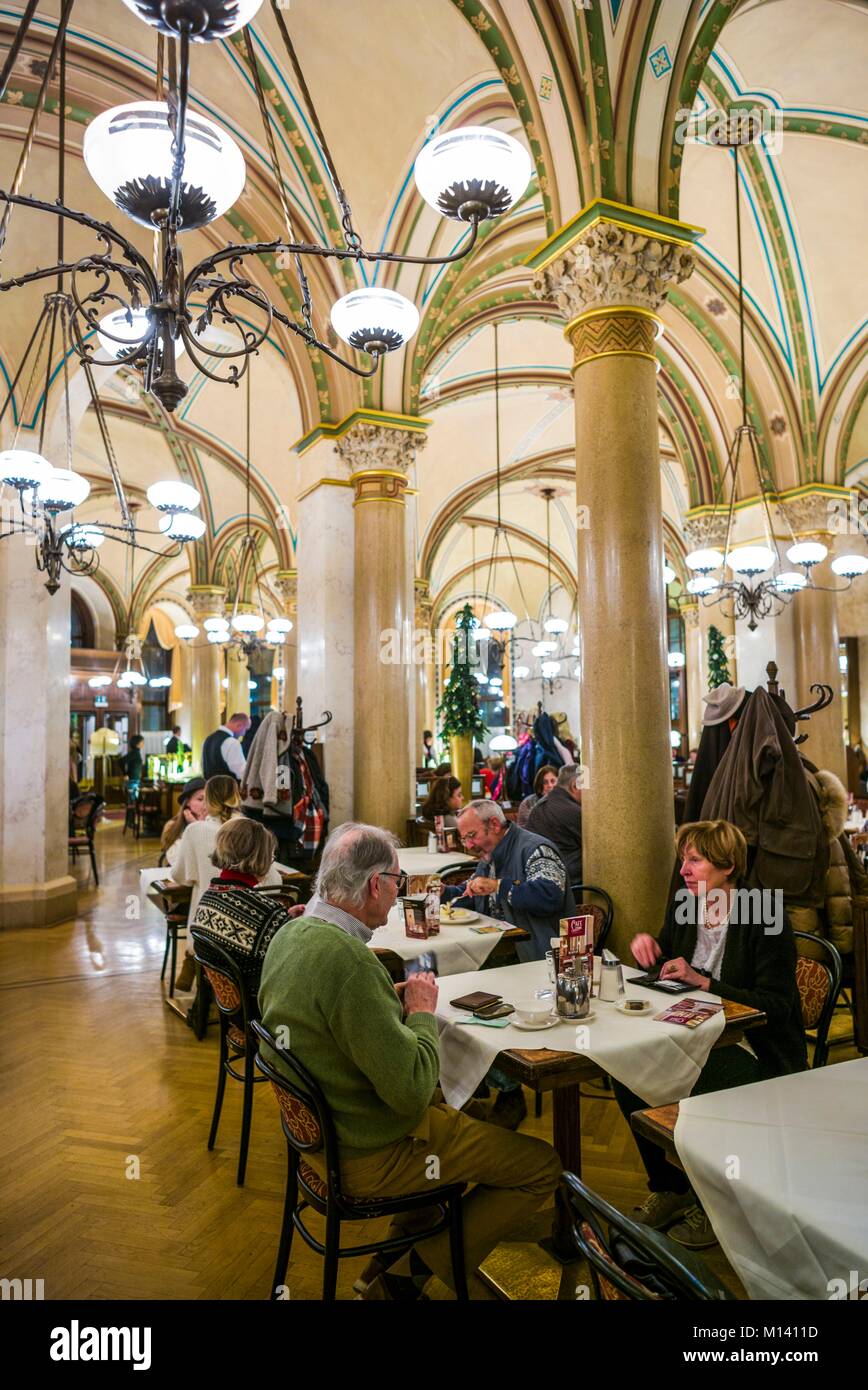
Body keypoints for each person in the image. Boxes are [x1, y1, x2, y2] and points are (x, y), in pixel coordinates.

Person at [258, 822, 562, 1300]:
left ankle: (388, 1257)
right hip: (369, 1151)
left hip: (318, 1140)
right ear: (374, 885)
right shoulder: (350, 962)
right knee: (542, 1166)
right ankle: (410, 1275)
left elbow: (330, 1022)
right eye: (397, 882)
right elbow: (412, 1091)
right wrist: (420, 1013)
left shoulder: (291, 933)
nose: (398, 893)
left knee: (470, 1114)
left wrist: (385, 1000)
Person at [615, 819, 807, 1250]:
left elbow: (777, 1005)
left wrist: (704, 982)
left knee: (698, 1082)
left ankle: (717, 1204)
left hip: (754, 1045)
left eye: (695, 860)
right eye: (683, 860)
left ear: (727, 866)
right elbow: (672, 967)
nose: (683, 870)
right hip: (693, 1031)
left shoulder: (765, 914)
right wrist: (652, 953)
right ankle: (672, 1188)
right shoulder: (686, 904)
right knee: (625, 1068)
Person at [169, 775, 283, 991]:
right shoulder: (251, 829)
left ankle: (195, 971)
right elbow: (274, 880)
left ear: (208, 800)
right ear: (237, 796)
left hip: (205, 925)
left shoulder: (196, 830)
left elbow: (180, 875)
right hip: (248, 929)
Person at [190, 817, 291, 1006]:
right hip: (263, 1007)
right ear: (259, 858)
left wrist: (285, 920)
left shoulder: (208, 898)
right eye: (270, 856)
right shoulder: (267, 913)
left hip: (234, 1007)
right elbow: (292, 958)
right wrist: (286, 922)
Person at [527, 764, 582, 881]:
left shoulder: (539, 806)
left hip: (536, 876)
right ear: (574, 786)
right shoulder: (574, 811)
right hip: (567, 881)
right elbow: (595, 847)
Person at [159, 777, 206, 867]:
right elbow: (177, 861)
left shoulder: (214, 822)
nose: (205, 804)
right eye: (200, 799)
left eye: (209, 800)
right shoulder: (172, 826)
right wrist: (195, 827)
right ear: (188, 802)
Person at [202, 713, 250, 781]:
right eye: (245, 730)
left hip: (209, 786)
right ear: (239, 725)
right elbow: (242, 773)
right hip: (228, 787)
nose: (243, 734)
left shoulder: (207, 740)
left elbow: (203, 766)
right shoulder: (232, 742)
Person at [516, 764, 558, 828]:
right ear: (539, 785)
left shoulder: (564, 801)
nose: (550, 785)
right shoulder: (528, 803)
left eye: (553, 781)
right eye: (545, 782)